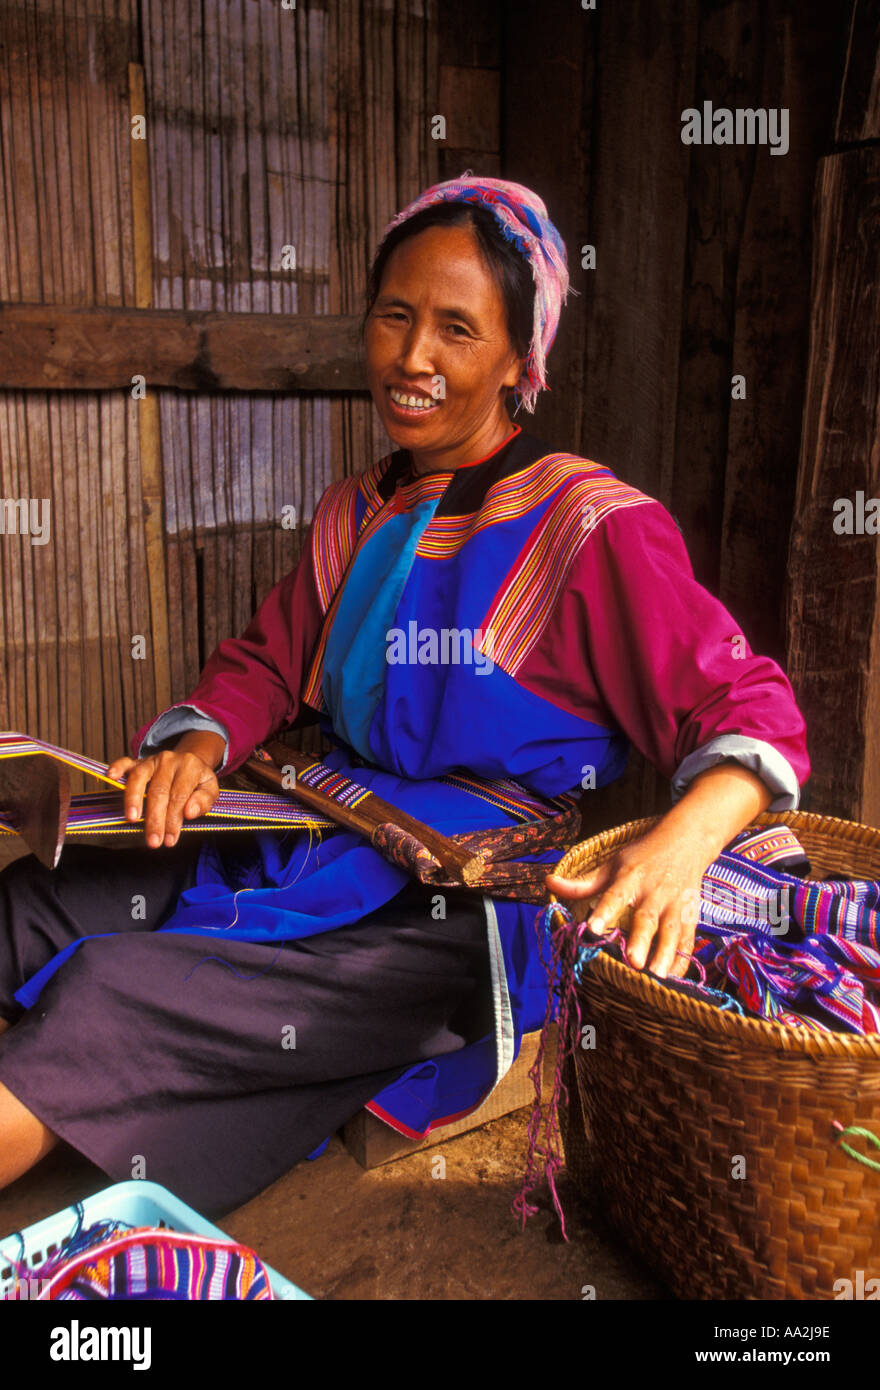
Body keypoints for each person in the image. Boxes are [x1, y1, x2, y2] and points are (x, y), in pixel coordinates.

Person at [0, 176, 810, 1217]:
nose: (412, 356)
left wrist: (682, 840)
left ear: (523, 362)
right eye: (395, 315)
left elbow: (747, 705)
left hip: (448, 916)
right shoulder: (356, 511)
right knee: (29, 900)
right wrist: (198, 746)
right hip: (309, 832)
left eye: (457, 329)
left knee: (114, 995)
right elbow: (261, 663)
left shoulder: (589, 527)